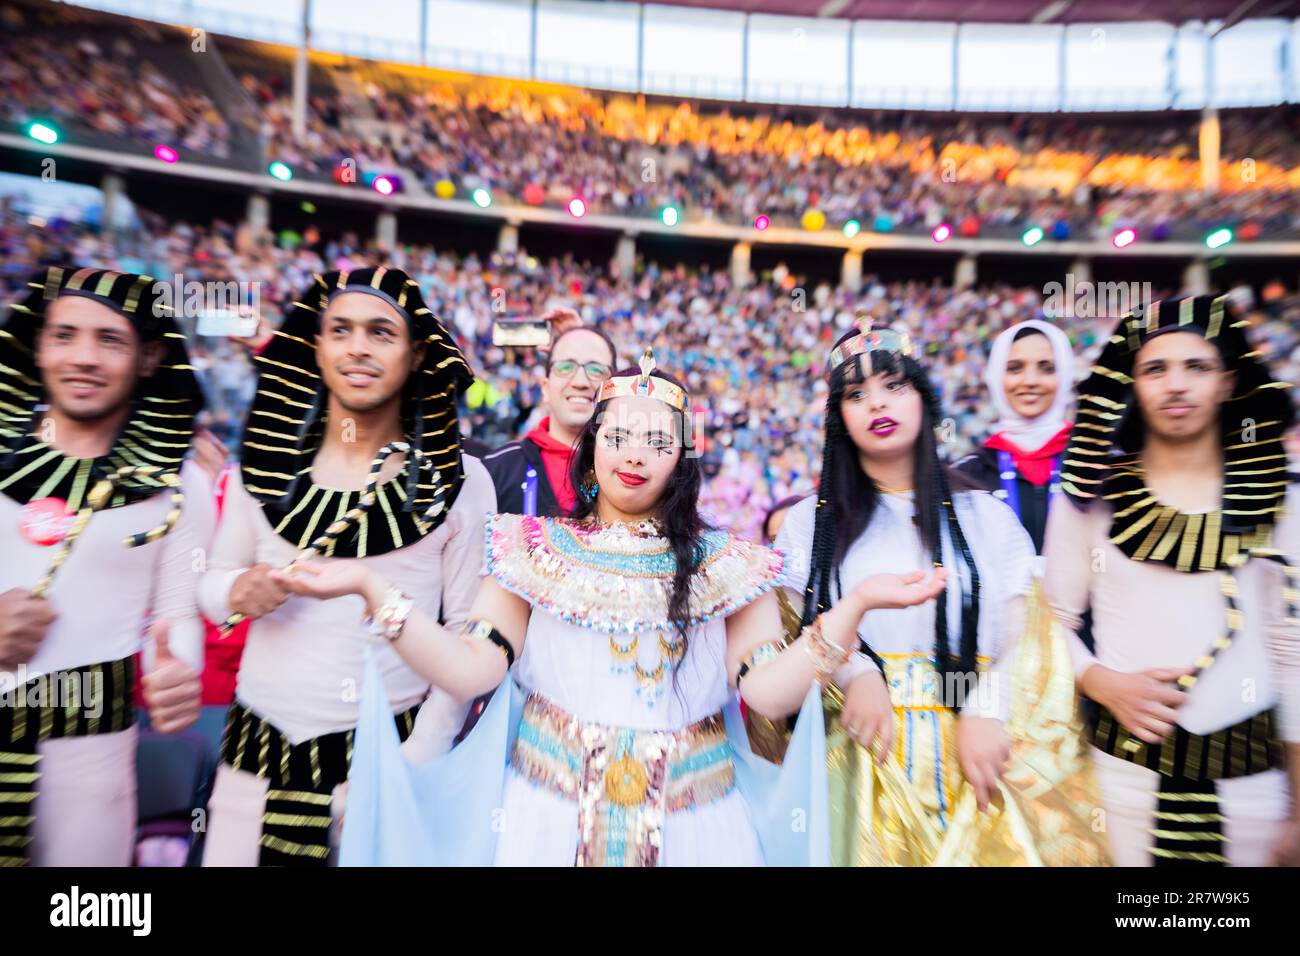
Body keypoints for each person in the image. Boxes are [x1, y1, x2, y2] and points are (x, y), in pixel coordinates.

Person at [278, 350, 949, 866]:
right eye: (620, 435)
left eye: (658, 439)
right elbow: (468, 672)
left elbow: (770, 696)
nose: (635, 453)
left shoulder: (728, 566)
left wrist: (852, 609)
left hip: (699, 827)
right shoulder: (531, 550)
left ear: (680, 460)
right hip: (544, 821)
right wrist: (376, 594)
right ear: (592, 448)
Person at [769, 319, 1108, 865]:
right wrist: (856, 674)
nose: (877, 404)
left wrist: (985, 709)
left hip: (976, 755)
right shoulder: (810, 522)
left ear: (924, 399)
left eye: (895, 386)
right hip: (859, 754)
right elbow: (790, 624)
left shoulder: (986, 516)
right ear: (839, 419)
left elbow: (1028, 639)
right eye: (857, 394)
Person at [195, 266, 496, 866]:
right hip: (251, 763)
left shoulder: (461, 485)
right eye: (341, 330)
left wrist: (409, 765)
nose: (358, 347)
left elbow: (470, 641)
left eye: (382, 332)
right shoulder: (261, 468)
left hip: (385, 766)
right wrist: (238, 590)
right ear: (318, 346)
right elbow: (208, 586)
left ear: (414, 357)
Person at [1046, 294, 1300, 867]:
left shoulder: (1282, 497)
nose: (1176, 384)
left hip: (1256, 786)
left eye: (1197, 367)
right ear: (1133, 385)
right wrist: (1099, 680)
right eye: (1156, 369)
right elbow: (1050, 620)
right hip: (1120, 781)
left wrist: (1299, 810)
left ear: (1228, 382)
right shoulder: (1089, 500)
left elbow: (1293, 653)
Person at [0, 267, 210, 865]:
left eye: (109, 340)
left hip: (93, 761)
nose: (83, 357)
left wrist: (178, 673)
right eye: (64, 335)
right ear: (38, 345)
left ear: (148, 357)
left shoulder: (177, 484)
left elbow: (178, 616)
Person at [955, 319, 1074, 554]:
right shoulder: (966, 476)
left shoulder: (1099, 464)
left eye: (1047, 368)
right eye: (1014, 368)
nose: (1030, 381)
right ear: (995, 376)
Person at [481, 314, 618, 516]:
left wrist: (581, 336)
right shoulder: (493, 471)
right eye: (565, 367)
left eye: (596, 370)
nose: (580, 381)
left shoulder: (631, 473)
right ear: (545, 388)